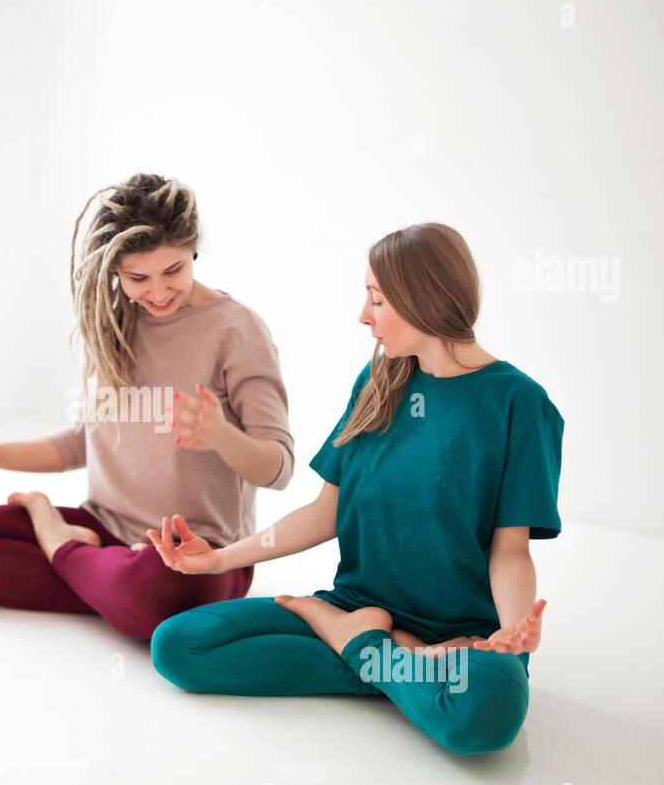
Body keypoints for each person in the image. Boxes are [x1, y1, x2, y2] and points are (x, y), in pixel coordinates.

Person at [146, 222, 563, 754]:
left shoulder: (519, 405)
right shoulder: (377, 383)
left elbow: (511, 551)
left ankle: (356, 645)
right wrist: (219, 560)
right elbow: (326, 512)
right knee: (178, 646)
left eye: (378, 299)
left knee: (484, 717)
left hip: (464, 636)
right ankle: (396, 664)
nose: (364, 315)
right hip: (357, 603)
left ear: (423, 299)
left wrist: (512, 632)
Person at [0, 173, 295, 640]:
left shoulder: (237, 331)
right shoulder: (113, 323)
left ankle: (60, 543)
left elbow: (279, 469)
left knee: (158, 592)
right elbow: (85, 443)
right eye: (138, 277)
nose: (158, 292)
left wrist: (222, 435)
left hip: (196, 554)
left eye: (173, 270)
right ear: (113, 270)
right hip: (104, 529)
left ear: (194, 249)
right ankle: (103, 579)